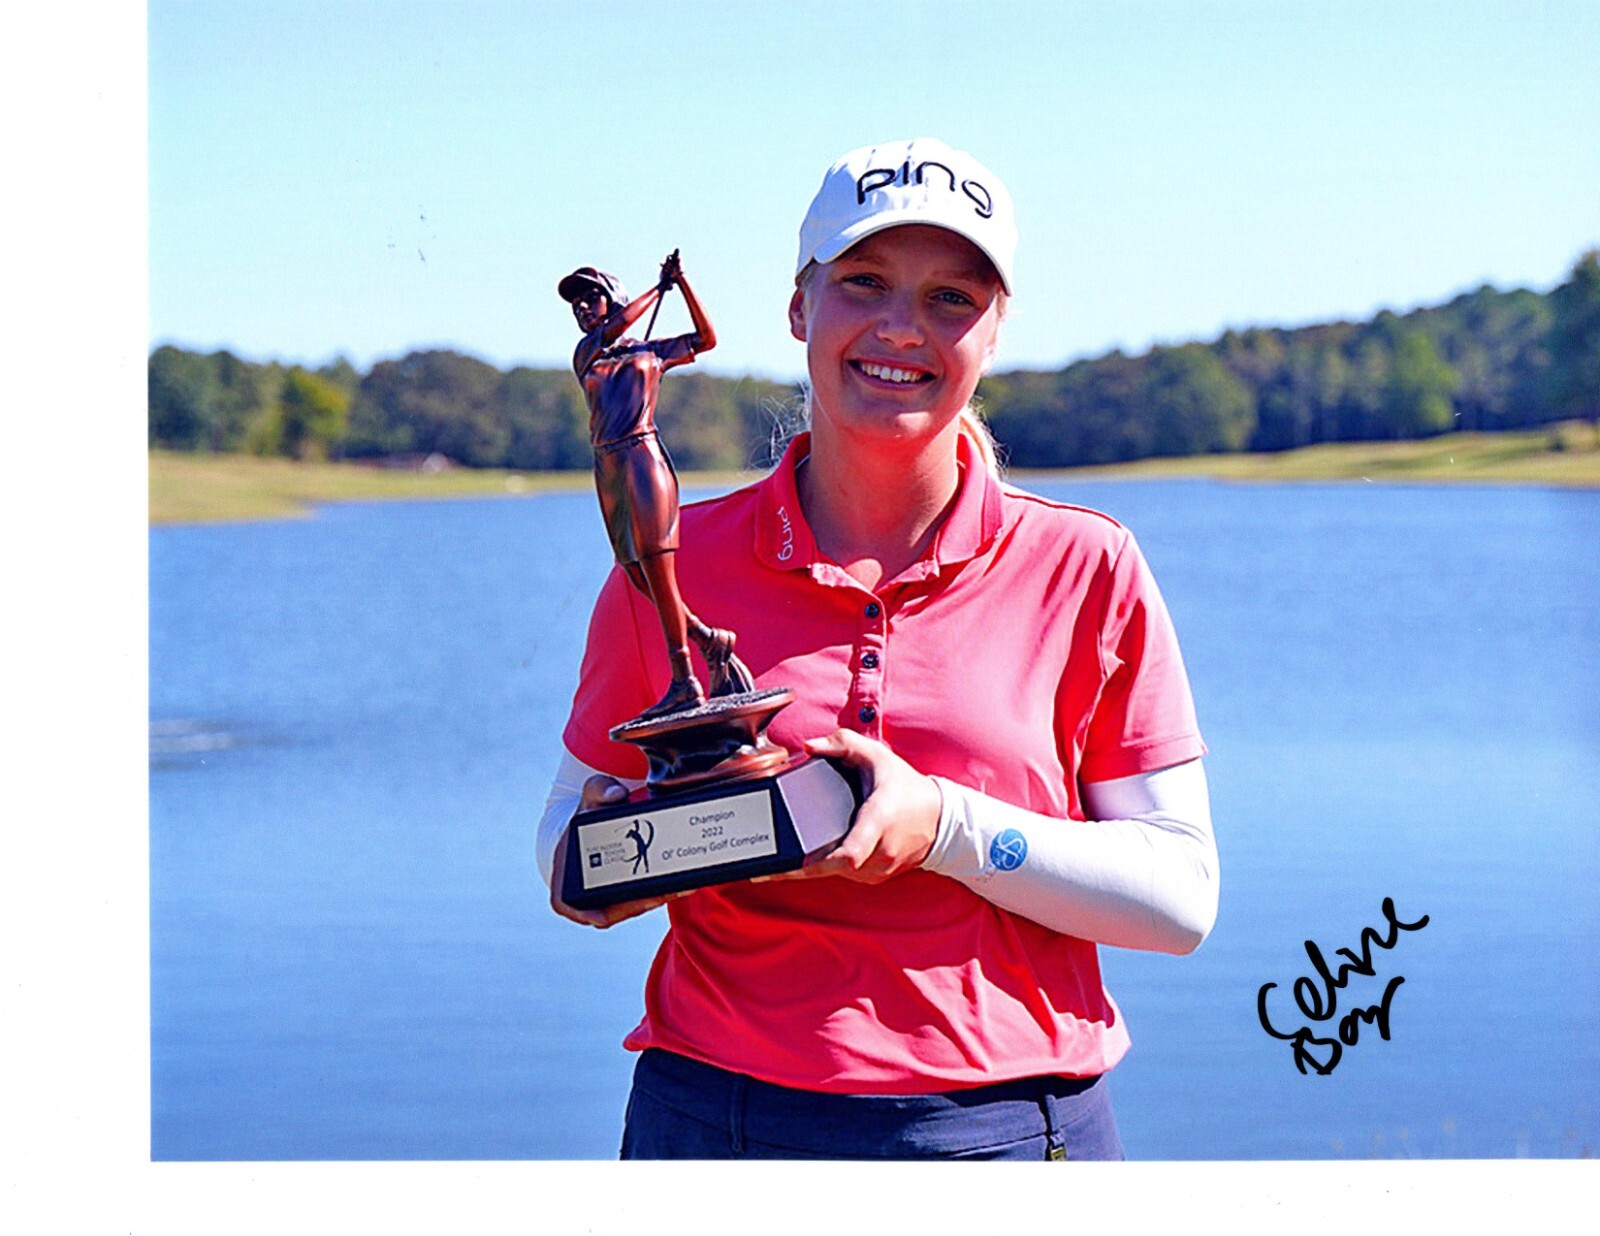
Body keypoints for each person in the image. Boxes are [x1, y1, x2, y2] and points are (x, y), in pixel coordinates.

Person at [538, 137, 1219, 1160]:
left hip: (1006, 1132)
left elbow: (1179, 897)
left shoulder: (1086, 564)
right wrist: (648, 848)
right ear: (799, 309)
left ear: (994, 333)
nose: (901, 327)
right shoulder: (669, 565)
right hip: (712, 1124)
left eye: (952, 298)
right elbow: (565, 848)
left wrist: (943, 826)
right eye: (863, 283)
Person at [558, 252, 750, 719]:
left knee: (659, 572)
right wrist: (657, 289)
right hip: (607, 469)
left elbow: (706, 338)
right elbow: (616, 324)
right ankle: (709, 640)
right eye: (577, 303)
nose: (583, 308)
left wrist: (680, 285)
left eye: (592, 298)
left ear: (611, 298)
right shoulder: (588, 355)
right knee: (637, 575)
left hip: (643, 459)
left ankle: (684, 679)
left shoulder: (652, 353)